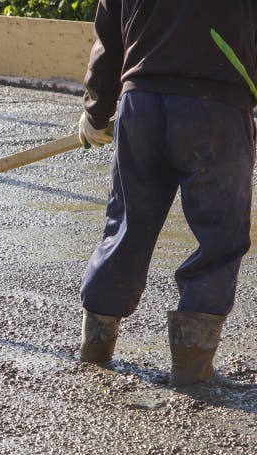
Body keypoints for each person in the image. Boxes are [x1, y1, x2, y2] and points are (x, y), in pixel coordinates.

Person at [77, 1, 257, 386]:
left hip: (140, 101)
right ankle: (193, 367)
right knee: (219, 235)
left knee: (127, 223)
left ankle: (96, 346)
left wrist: (96, 110)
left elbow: (109, 38)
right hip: (217, 107)